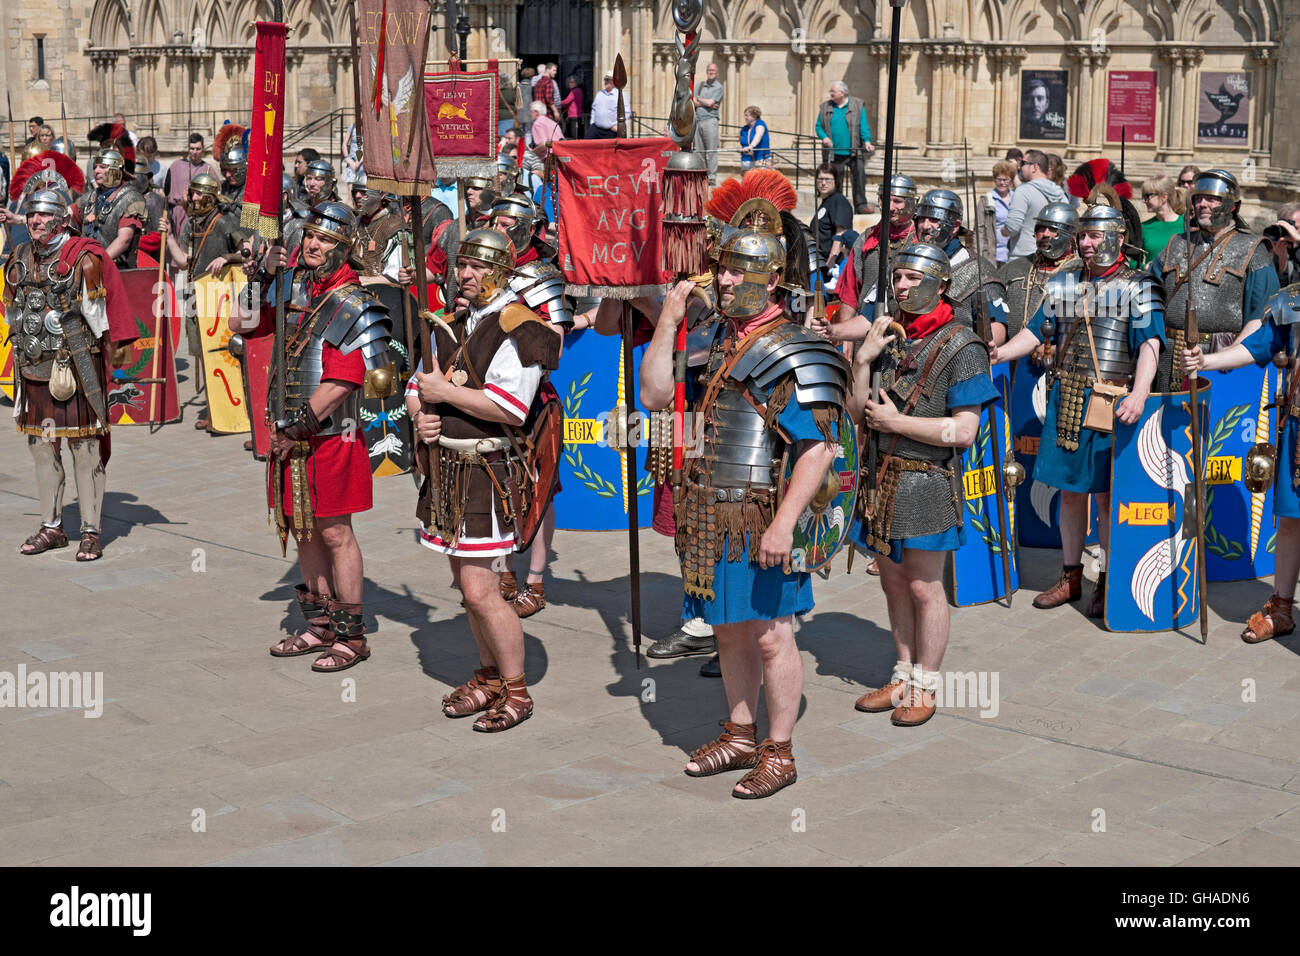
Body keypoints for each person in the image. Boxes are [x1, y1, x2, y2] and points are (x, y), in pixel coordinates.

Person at [639, 219, 849, 798]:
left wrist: (784, 524)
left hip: (761, 518)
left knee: (772, 635)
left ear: (770, 278)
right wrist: (668, 320)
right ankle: (738, 733)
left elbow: (820, 448)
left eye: (734, 269)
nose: (721, 279)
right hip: (709, 512)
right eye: (721, 266)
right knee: (729, 631)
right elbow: (655, 398)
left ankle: (778, 752)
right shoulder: (714, 335)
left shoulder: (794, 348)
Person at [407, 228, 561, 731]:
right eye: (462, 265)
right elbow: (418, 384)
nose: (465, 274)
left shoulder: (522, 328)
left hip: (488, 472)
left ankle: (516, 690)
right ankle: (491, 675)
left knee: (480, 590)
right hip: (447, 469)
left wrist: (443, 397)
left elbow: (510, 409)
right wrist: (420, 414)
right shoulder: (451, 320)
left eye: (476, 267)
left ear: (499, 270)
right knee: (465, 585)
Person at [990, 204, 1165, 616]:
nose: (1085, 243)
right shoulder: (1066, 280)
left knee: (1105, 498)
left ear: (1118, 237)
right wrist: (997, 355)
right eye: (1082, 235)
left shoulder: (1139, 284)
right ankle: (1071, 577)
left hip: (1110, 400)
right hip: (1067, 397)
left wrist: (1139, 394)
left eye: (1094, 235)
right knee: (1070, 494)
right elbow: (1034, 332)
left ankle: (1105, 577)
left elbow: (1150, 345)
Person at [850, 243, 999, 725]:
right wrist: (862, 361)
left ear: (941, 284)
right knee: (893, 582)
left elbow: (964, 431)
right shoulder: (888, 338)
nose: (902, 286)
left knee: (924, 586)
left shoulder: (964, 346)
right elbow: (858, 413)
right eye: (897, 277)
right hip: (881, 478)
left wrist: (898, 425)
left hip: (927, 479)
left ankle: (928, 684)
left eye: (913, 277)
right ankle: (902, 673)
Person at [246, 202, 395, 671]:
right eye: (310, 235)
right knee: (301, 526)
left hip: (329, 437)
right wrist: (257, 279)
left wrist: (295, 428)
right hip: (290, 437)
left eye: (326, 239)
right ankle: (318, 626)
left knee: (334, 533)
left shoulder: (352, 301)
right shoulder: (290, 283)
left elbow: (342, 382)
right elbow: (242, 324)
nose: (312, 244)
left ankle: (352, 638)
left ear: (345, 246)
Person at [5, 187, 137, 561]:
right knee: (41, 448)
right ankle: (51, 527)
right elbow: (12, 314)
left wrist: (114, 354)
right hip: (32, 368)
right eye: (32, 214)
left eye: (45, 215)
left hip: (76, 365)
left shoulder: (85, 257)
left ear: (63, 219)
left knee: (85, 448)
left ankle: (91, 531)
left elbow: (102, 318)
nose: (36, 221)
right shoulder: (19, 257)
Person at [1182, 284, 1300, 643]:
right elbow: (1257, 346)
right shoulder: (1293, 300)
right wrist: (1208, 361)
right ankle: (1281, 608)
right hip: (1298, 424)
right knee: (1292, 519)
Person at [1151, 169, 1278, 392]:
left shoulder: (1253, 250)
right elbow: (1148, 296)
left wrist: (1226, 357)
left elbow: (1264, 313)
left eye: (1211, 199)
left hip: (1221, 363)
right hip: (1167, 358)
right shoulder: (1176, 244)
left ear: (1232, 206)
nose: (1202, 204)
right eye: (1198, 198)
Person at [833, 175, 918, 333]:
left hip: (906, 332)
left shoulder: (920, 244)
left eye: (897, 201)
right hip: (864, 331)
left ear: (911, 203)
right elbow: (849, 293)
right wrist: (846, 338)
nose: (890, 207)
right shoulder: (866, 239)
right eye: (885, 200)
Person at [996, 202, 1080, 339]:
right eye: (1041, 229)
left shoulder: (1081, 273)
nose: (1045, 234)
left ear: (1071, 235)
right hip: (1011, 354)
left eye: (1053, 229)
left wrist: (1052, 348)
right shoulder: (1014, 269)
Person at [72, 148, 146, 269]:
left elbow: (124, 240)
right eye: (95, 167)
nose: (97, 171)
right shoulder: (90, 196)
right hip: (87, 267)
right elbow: (68, 214)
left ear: (116, 170)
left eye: (103, 167)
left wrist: (98, 262)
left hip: (117, 269)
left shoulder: (131, 198)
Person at [815, 81, 874, 213]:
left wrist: (867, 141)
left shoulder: (857, 105)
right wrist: (824, 137)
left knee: (859, 179)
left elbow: (863, 125)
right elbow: (818, 126)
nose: (830, 94)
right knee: (836, 181)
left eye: (833, 92)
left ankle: (861, 206)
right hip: (834, 153)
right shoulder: (825, 107)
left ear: (842, 93)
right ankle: (837, 206)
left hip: (854, 151)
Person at [1002, 149, 1068, 259]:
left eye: (1023, 163)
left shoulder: (1023, 191)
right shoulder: (1060, 193)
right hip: (1052, 258)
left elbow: (1012, 227)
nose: (1019, 167)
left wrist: (1004, 230)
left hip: (1023, 258)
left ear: (1035, 167)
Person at [164, 134, 215, 238]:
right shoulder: (175, 166)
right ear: (188, 148)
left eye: (198, 149)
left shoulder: (208, 169)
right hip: (176, 213)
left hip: (199, 214)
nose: (195, 152)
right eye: (192, 148)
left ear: (203, 149)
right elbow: (166, 192)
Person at [810, 163, 854, 267]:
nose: (823, 183)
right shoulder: (826, 202)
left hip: (833, 266)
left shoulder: (838, 200)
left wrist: (831, 261)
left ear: (836, 181)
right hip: (821, 263)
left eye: (828, 179)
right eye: (820, 179)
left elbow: (841, 233)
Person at [1138, 175, 1184, 264]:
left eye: (1147, 196)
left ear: (1164, 197)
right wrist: (1144, 268)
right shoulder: (1143, 227)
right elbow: (1133, 261)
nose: (1144, 200)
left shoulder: (1186, 226)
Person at [693, 63, 724, 185]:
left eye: (713, 70)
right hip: (698, 120)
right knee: (699, 150)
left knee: (711, 150)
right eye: (709, 70)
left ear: (717, 72)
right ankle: (702, 173)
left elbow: (710, 101)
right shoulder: (699, 85)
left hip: (710, 121)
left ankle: (711, 176)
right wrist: (706, 103)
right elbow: (693, 101)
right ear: (707, 71)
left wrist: (700, 100)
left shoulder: (718, 87)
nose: (711, 72)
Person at [981, 160, 1016, 264]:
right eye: (999, 179)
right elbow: (980, 228)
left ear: (1011, 180)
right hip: (994, 253)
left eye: (1005, 180)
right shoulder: (988, 198)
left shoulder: (1017, 197)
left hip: (1013, 252)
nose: (1002, 183)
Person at [588, 71, 631, 138]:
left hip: (610, 131)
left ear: (614, 81)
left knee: (608, 148)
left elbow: (626, 112)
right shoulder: (600, 93)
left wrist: (619, 126)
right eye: (605, 79)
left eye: (608, 80)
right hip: (596, 129)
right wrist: (592, 123)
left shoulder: (620, 94)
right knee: (586, 145)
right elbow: (594, 109)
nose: (605, 82)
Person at [1268, 202, 1300, 286]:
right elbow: (1276, 291)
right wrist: (1282, 261)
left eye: (1294, 228)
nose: (1289, 232)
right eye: (1284, 228)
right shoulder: (1273, 250)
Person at [738, 106, 770, 173]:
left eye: (747, 115)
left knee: (761, 177)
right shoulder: (744, 129)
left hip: (762, 158)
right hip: (746, 159)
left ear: (754, 116)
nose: (745, 118)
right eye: (745, 115)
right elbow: (741, 141)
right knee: (747, 180)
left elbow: (758, 135)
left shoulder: (760, 124)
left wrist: (751, 146)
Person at [560, 75, 586, 140]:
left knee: (574, 134)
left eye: (573, 82)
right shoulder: (579, 90)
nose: (570, 84)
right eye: (569, 82)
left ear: (577, 83)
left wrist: (559, 103)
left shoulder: (574, 91)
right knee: (578, 133)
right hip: (578, 114)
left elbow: (567, 101)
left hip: (574, 115)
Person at [342, 123, 365, 192]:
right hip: (352, 160)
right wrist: (348, 159)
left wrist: (359, 162)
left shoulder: (369, 127)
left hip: (363, 161)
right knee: (350, 188)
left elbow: (369, 147)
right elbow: (344, 144)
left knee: (361, 189)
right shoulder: (352, 127)